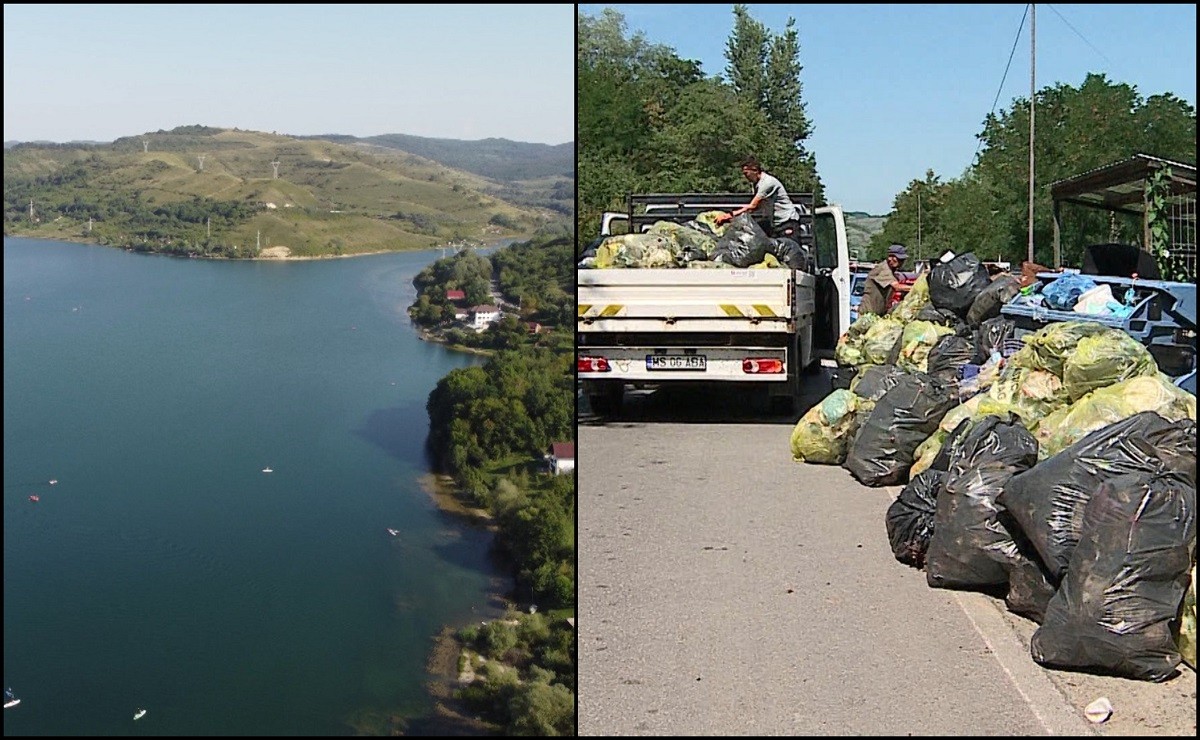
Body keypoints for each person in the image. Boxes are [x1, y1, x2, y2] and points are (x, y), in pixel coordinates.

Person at [715, 157, 803, 240]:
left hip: (787, 222)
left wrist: (730, 215)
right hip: (775, 224)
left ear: (755, 170)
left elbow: (753, 206)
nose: (745, 177)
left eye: (746, 173)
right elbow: (757, 207)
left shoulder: (767, 183)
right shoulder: (756, 184)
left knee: (791, 252)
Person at [858, 244, 913, 317]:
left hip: (878, 314)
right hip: (867, 314)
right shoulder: (883, 269)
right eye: (899, 259)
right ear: (890, 257)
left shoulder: (892, 272)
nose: (901, 262)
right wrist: (915, 288)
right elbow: (897, 286)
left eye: (902, 260)